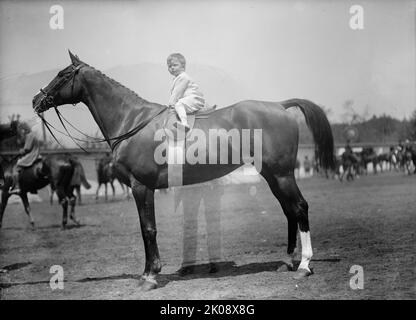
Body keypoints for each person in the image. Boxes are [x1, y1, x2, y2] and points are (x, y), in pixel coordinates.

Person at [167, 53, 205, 131]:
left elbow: (176, 94)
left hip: (193, 99)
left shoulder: (183, 77)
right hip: (189, 99)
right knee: (178, 104)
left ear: (183, 66)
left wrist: (170, 105)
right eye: (169, 66)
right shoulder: (177, 78)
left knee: (179, 105)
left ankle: (184, 124)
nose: (172, 68)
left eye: (175, 65)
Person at [9, 123, 41, 195]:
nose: (21, 131)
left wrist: (21, 151)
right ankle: (32, 188)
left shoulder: (29, 135)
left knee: (16, 167)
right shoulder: (33, 135)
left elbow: (27, 148)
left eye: (22, 130)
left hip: (32, 155)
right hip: (37, 154)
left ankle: (17, 186)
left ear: (25, 129)